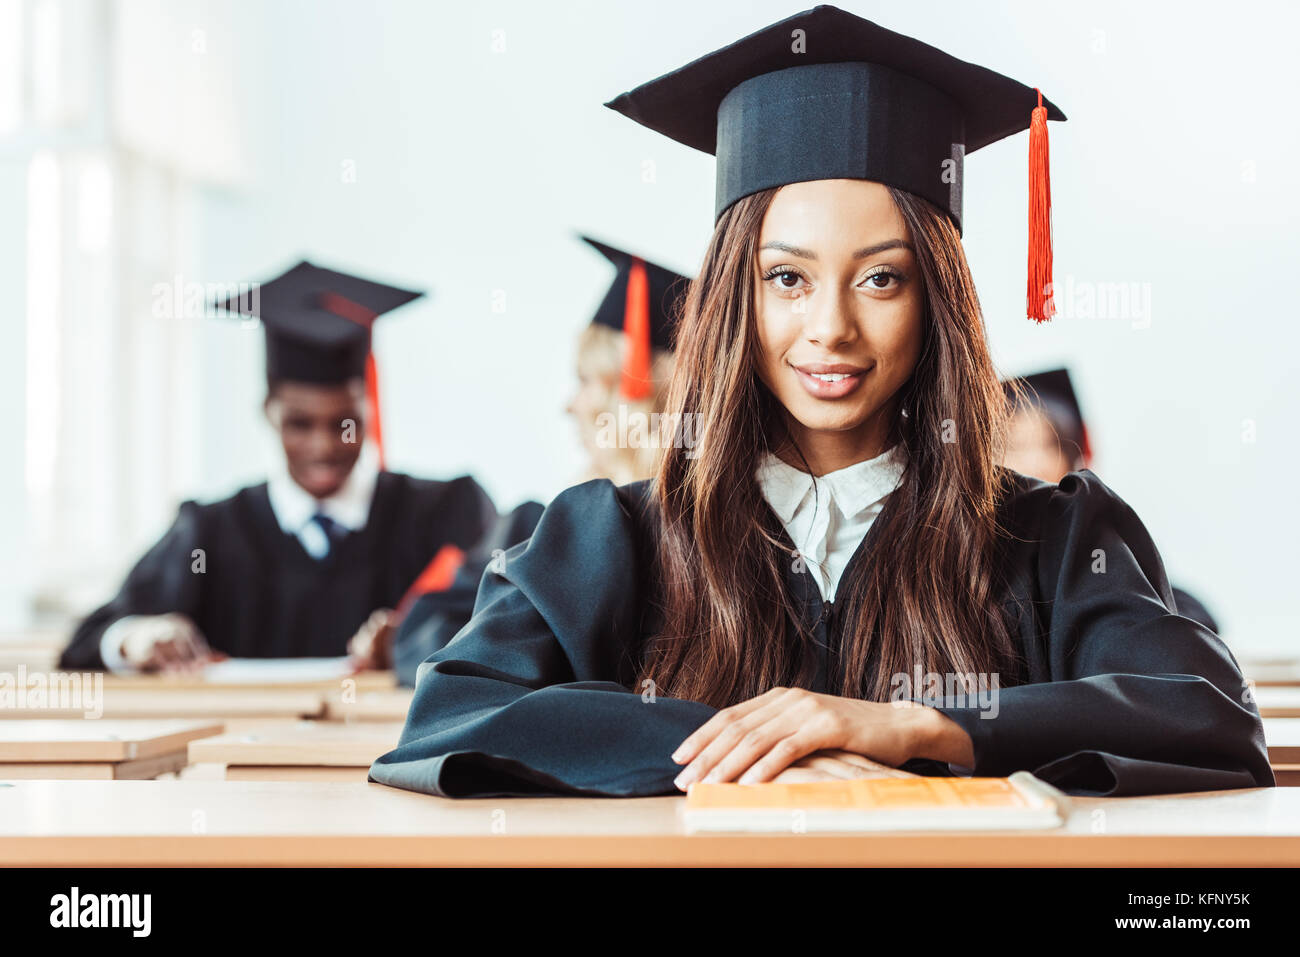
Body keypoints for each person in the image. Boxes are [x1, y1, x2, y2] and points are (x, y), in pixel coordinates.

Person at [370, 7, 1272, 798]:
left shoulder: (1049, 539)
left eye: (882, 277)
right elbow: (451, 713)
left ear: (937, 302)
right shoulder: (616, 539)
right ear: (736, 297)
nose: (830, 327)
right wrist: (757, 748)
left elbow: (1204, 715)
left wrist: (919, 728)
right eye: (787, 277)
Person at [59, 261, 496, 673]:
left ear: (368, 411)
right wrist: (137, 637)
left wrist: (418, 642)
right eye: (299, 424)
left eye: (344, 424)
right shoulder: (210, 534)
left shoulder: (444, 514)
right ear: (268, 412)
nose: (323, 446)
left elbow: (507, 629)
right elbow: (91, 639)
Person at [353, 237, 689, 684]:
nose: (570, 406)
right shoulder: (720, 539)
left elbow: (452, 648)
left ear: (634, 395)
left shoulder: (552, 536)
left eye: (586, 380)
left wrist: (402, 642)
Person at [1003, 368, 1221, 631]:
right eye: (1014, 446)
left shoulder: (1106, 545)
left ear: (1073, 455)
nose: (1032, 462)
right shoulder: (979, 568)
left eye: (1048, 445)